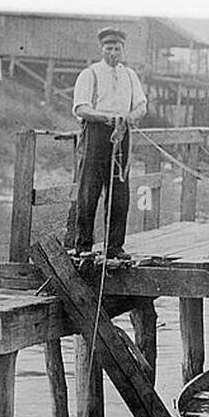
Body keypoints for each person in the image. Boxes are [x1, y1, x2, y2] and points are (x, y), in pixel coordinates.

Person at [67, 27, 148, 259]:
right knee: (88, 191)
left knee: (119, 193)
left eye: (117, 48)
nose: (113, 52)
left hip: (122, 134)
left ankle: (114, 247)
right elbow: (81, 108)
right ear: (101, 49)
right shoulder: (89, 74)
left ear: (123, 50)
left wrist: (129, 118)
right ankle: (83, 246)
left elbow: (141, 105)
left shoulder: (130, 75)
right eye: (109, 48)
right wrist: (106, 117)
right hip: (96, 134)